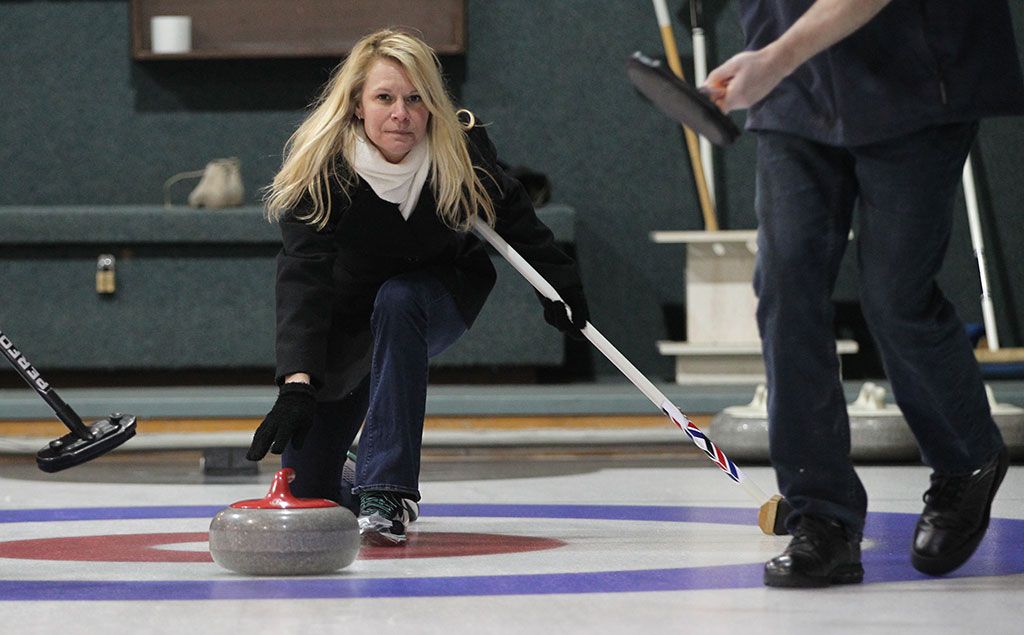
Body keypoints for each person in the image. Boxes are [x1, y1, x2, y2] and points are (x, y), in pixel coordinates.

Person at [703, 0, 1024, 587]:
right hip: (794, 82)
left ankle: (966, 459)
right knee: (785, 285)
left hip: (918, 76)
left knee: (895, 296)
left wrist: (775, 58)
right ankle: (821, 519)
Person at [245, 29, 589, 546]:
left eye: (415, 99)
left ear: (432, 106)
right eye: (384, 98)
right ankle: (355, 472)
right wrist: (297, 385)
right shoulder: (323, 172)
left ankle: (387, 488)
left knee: (400, 300)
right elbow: (303, 276)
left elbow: (517, 219)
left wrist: (559, 285)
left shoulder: (460, 153)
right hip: (350, 315)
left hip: (438, 293)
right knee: (309, 494)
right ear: (357, 105)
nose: (400, 114)